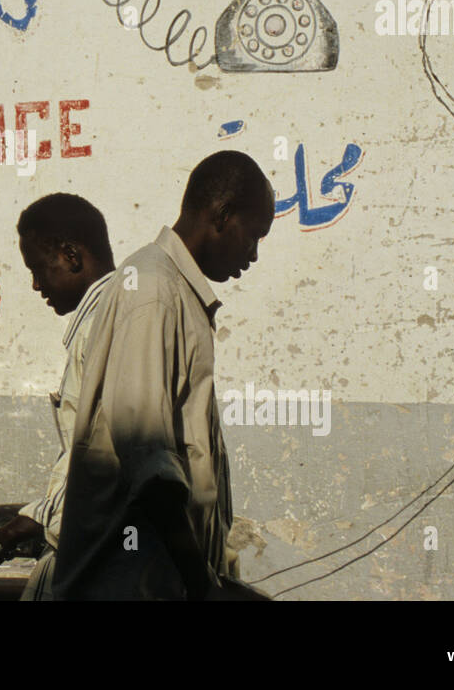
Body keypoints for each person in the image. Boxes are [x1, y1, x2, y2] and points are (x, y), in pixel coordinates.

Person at [51, 150, 275, 600]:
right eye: (253, 236)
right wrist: (203, 586)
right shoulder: (153, 290)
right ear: (222, 214)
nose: (253, 255)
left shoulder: (176, 291)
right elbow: (150, 467)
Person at [0, 193, 115, 599]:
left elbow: (96, 458)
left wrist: (4, 538)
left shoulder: (104, 326)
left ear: (71, 256)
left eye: (38, 269)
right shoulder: (106, 318)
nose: (35, 284)